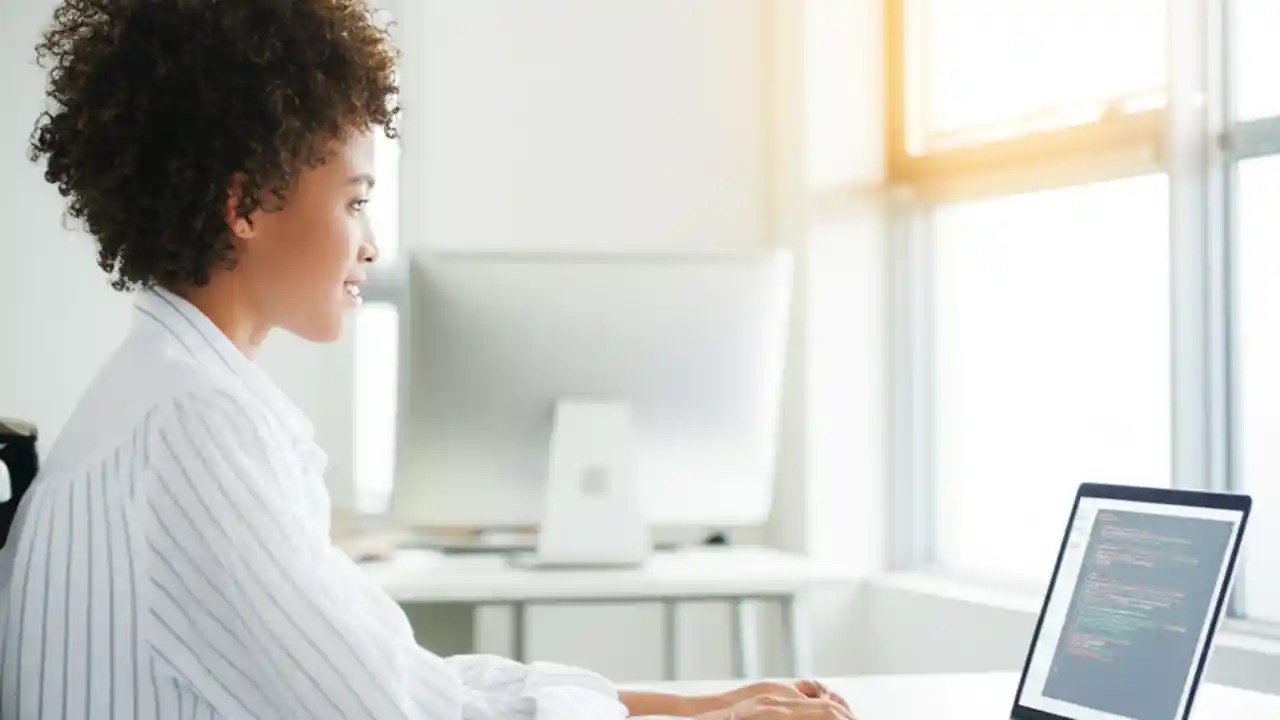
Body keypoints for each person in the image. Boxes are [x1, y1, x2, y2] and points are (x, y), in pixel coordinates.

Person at [0, 1, 856, 718]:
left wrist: (689, 709)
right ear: (246, 205)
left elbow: (403, 680)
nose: (370, 245)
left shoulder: (169, 396)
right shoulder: (196, 427)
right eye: (356, 201)